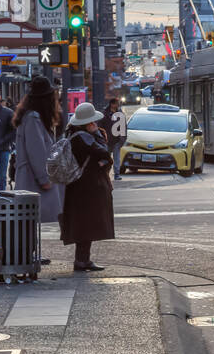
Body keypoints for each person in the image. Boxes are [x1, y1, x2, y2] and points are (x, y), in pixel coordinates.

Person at [60, 101, 115, 271]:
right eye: (93, 122)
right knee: (87, 224)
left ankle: (82, 260)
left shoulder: (72, 134)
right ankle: (82, 261)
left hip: (77, 186)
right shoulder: (84, 137)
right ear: (87, 123)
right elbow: (104, 152)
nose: (95, 124)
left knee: (83, 224)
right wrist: (97, 134)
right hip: (88, 186)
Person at [13, 76, 63, 223]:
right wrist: (44, 179)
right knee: (34, 221)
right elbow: (37, 152)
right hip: (33, 181)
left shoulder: (30, 117)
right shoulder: (33, 118)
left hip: (30, 178)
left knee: (31, 224)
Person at [98, 98, 128, 180]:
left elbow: (124, 127)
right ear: (112, 104)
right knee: (106, 158)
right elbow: (100, 127)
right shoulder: (104, 114)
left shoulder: (120, 114)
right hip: (107, 140)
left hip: (117, 140)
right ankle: (105, 173)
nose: (118, 105)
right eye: (117, 103)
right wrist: (102, 139)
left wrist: (122, 139)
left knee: (117, 158)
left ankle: (116, 174)